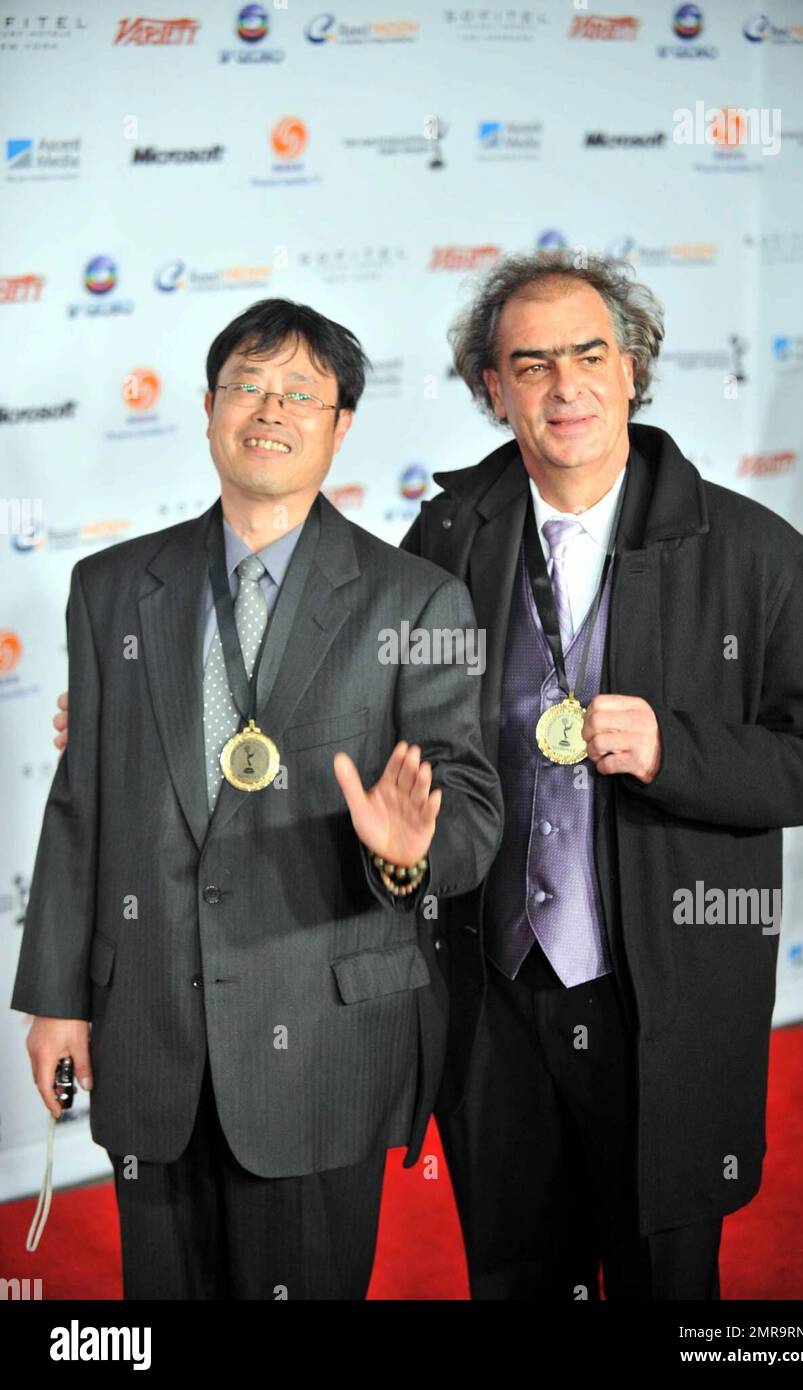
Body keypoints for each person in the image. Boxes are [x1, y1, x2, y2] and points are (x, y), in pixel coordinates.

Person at [13, 297, 503, 1301]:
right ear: (206, 409)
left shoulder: (413, 600)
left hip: (320, 1041)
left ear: (340, 423)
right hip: (148, 1027)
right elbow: (81, 806)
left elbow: (468, 809)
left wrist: (408, 850)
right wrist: (57, 996)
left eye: (299, 391)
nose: (267, 407)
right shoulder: (110, 588)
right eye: (246, 383)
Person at [398, 250, 803, 1299]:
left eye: (588, 354)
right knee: (514, 1279)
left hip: (664, 1013)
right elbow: (366, 703)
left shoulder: (753, 551)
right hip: (495, 1005)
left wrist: (673, 748)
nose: (563, 386)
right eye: (530, 363)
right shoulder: (444, 536)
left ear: (632, 367)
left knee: (664, 1285)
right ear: (492, 387)